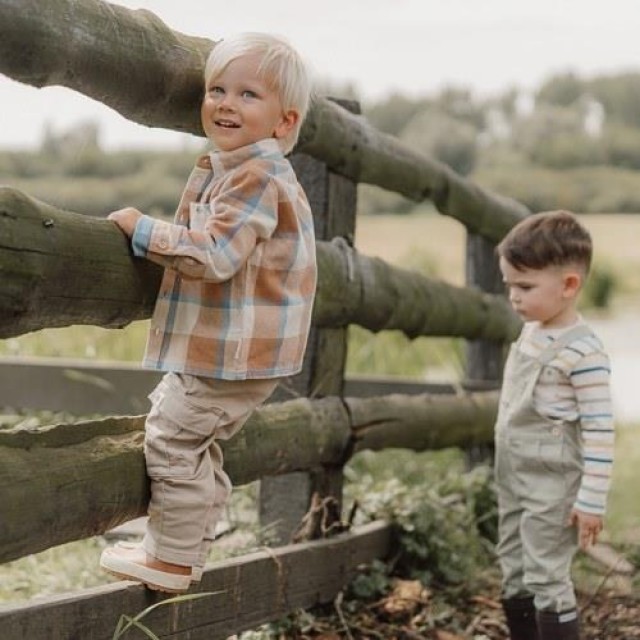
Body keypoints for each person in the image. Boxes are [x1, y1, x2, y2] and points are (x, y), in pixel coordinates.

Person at [99, 32, 316, 593]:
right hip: (243, 351)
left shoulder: (253, 176)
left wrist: (144, 231)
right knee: (195, 438)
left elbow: (216, 253)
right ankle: (183, 545)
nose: (225, 102)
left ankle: (171, 561)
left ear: (284, 122)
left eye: (248, 94)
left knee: (173, 435)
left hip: (232, 352)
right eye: (217, 89)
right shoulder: (249, 170)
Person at [494, 210, 614, 640]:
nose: (514, 296)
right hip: (512, 475)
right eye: (509, 285)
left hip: (553, 484)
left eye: (525, 287)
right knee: (513, 564)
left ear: (568, 286)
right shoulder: (532, 331)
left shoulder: (583, 353)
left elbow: (601, 430)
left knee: (545, 573)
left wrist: (592, 500)